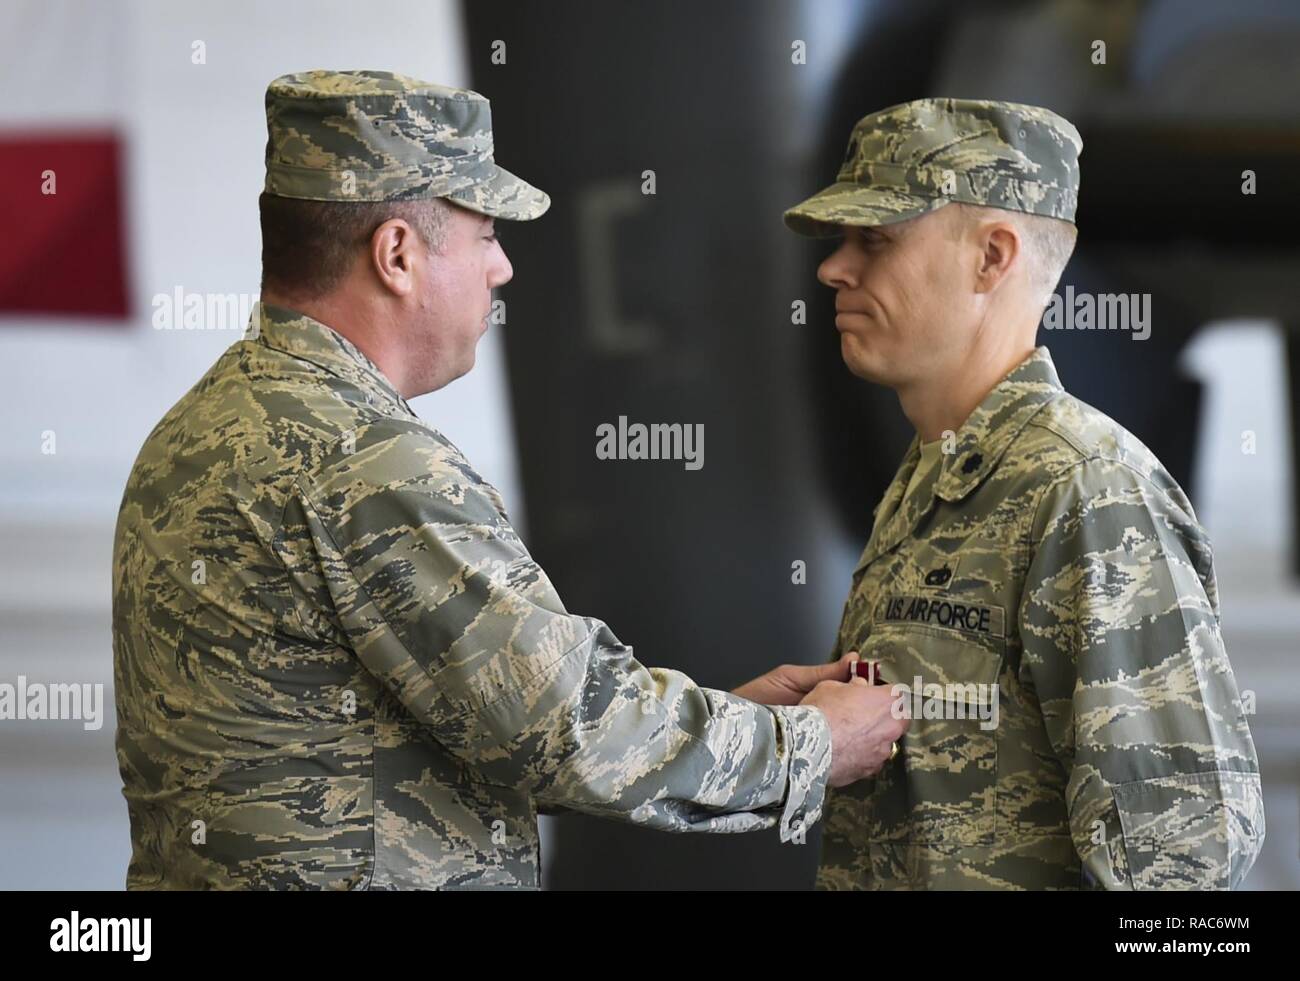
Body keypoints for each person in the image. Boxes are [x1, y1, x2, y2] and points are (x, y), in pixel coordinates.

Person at [111, 69, 907, 890]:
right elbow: (564, 725)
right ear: (397, 255)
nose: (503, 270)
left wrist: (745, 720)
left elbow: (449, 729)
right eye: (485, 232)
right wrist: (810, 745)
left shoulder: (202, 427)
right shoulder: (362, 458)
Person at [783, 97, 1264, 889]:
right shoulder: (935, 474)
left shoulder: (1087, 489)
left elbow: (1186, 868)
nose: (835, 267)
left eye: (874, 239)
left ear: (992, 257)